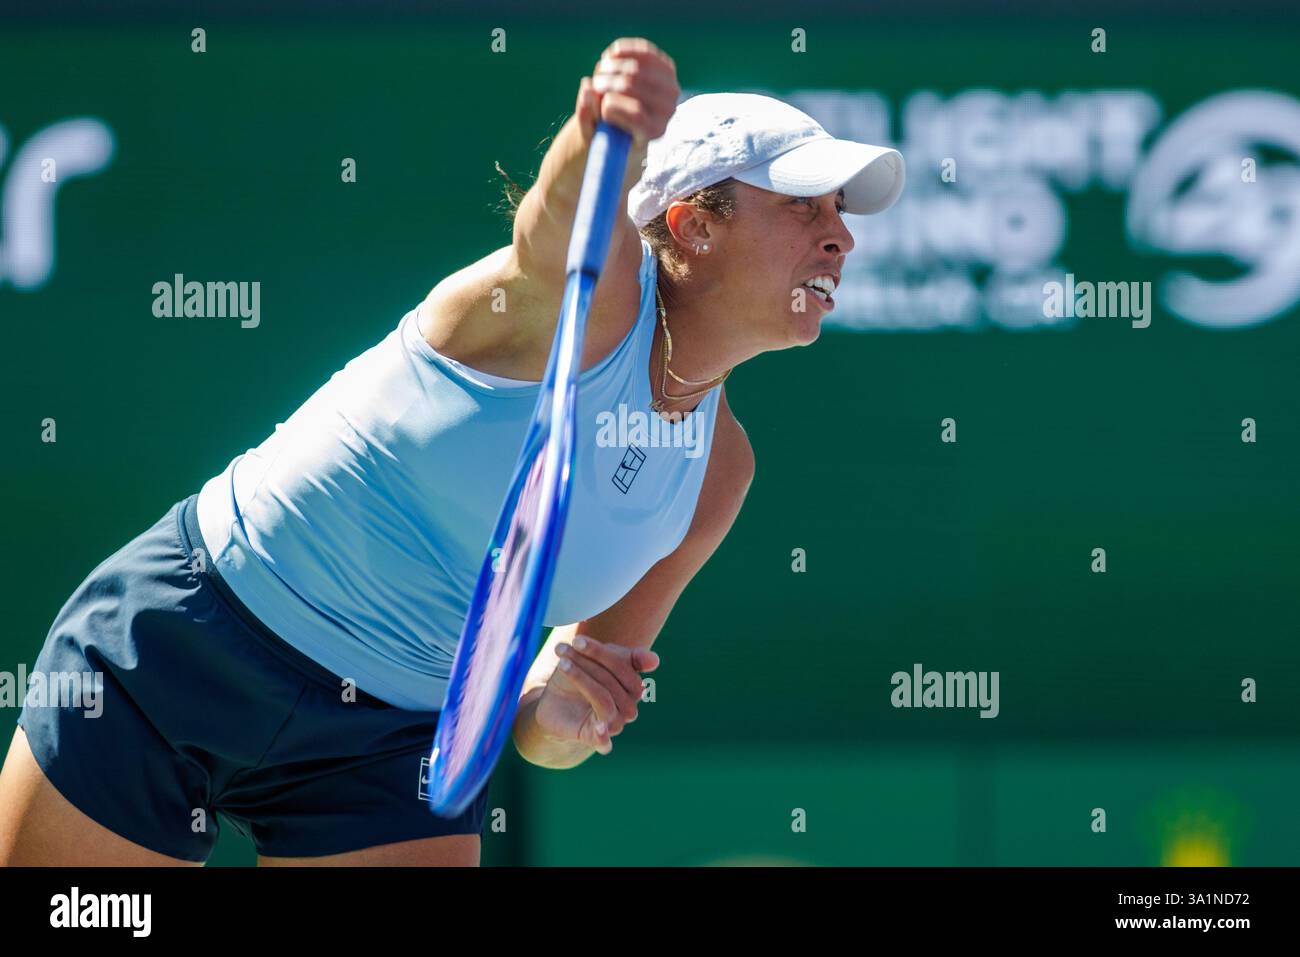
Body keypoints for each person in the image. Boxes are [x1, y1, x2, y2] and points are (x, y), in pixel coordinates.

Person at [0, 37, 903, 867]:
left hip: (388, 746)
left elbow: (548, 722)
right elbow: (553, 223)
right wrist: (600, 127)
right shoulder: (582, 306)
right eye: (802, 207)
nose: (840, 236)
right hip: (189, 644)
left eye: (839, 213)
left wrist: (560, 710)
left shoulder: (719, 473)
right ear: (692, 224)